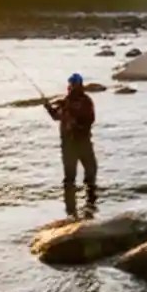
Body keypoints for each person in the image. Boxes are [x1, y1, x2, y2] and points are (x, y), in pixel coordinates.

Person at [44, 73, 98, 217]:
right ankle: (71, 212)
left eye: (74, 84)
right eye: (71, 84)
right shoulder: (66, 101)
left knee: (91, 172)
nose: (72, 86)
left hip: (83, 142)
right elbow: (57, 116)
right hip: (68, 146)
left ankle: (90, 205)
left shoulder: (86, 101)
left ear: (80, 85)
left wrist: (76, 122)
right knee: (70, 178)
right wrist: (49, 108)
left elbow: (90, 119)